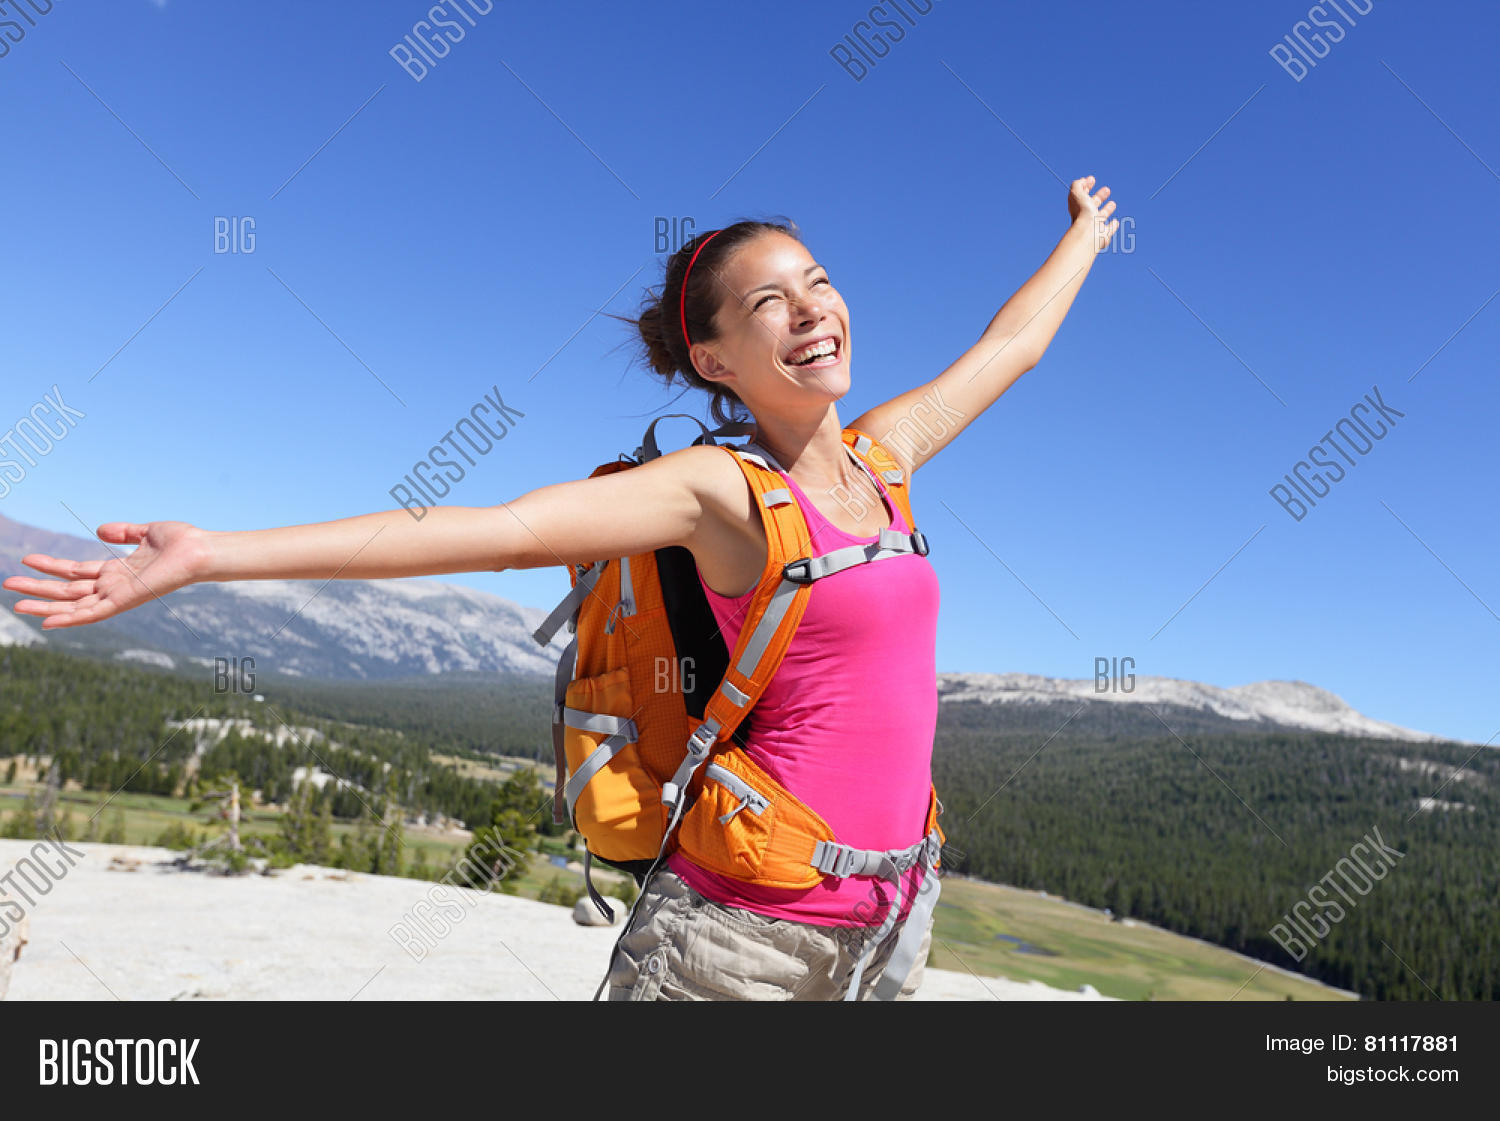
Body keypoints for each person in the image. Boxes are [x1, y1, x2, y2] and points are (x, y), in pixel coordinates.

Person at [3, 176, 1118, 1000]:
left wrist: (1082, 236)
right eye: (771, 301)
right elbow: (499, 532)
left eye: (817, 281)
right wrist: (212, 553)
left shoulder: (887, 455)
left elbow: (1008, 347)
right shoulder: (719, 491)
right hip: (737, 938)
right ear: (717, 360)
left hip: (893, 919)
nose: (813, 307)